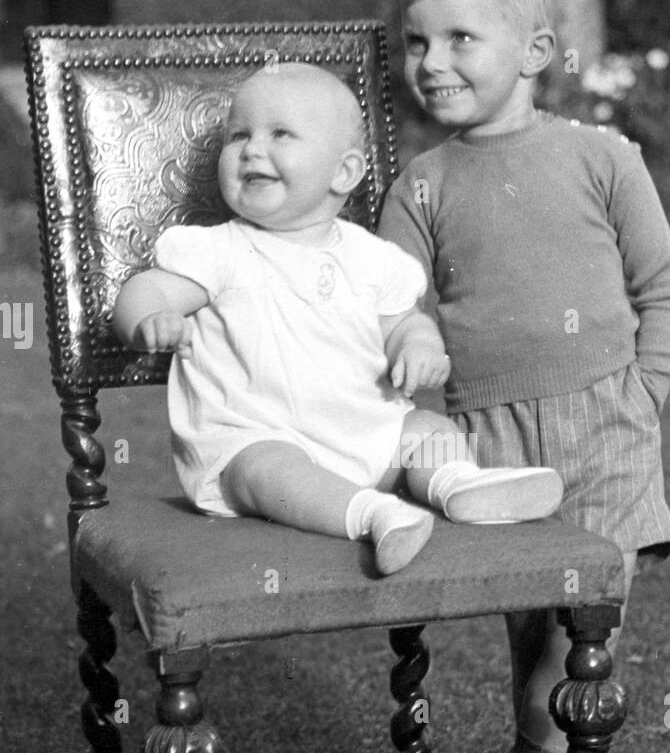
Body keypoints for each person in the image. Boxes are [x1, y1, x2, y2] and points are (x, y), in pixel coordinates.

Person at [378, 0, 670, 753]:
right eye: (416, 42)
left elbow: (665, 290)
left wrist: (644, 399)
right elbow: (400, 309)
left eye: (459, 39)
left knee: (582, 623)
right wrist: (419, 371)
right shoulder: (421, 185)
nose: (431, 62)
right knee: (530, 623)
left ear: (537, 53)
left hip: (607, 425)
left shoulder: (602, 156)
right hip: (490, 439)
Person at [112, 62, 563, 576]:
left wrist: (417, 348)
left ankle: (458, 483)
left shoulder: (372, 259)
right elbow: (146, 289)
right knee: (269, 469)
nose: (252, 149)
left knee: (424, 428)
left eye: (280, 134)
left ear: (344, 172)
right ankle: (376, 515)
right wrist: (150, 317)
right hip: (253, 440)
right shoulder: (220, 250)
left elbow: (404, 323)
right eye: (240, 135)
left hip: (366, 436)